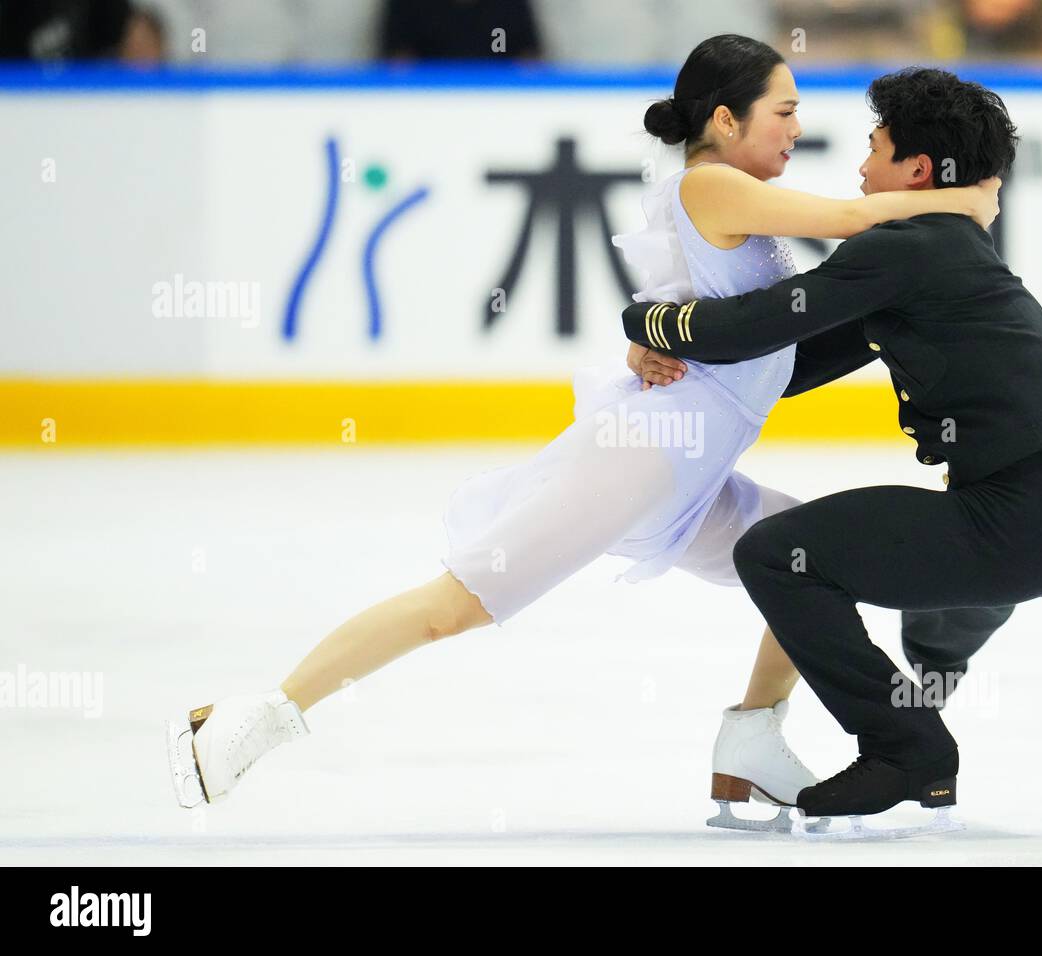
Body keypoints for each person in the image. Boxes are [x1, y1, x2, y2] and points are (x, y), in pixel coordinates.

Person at [164, 40, 999, 828]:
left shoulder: (733, 207)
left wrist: (656, 333)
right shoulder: (707, 185)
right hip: (641, 462)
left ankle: (751, 733)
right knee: (451, 610)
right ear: (724, 122)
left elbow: (725, 301)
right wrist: (965, 198)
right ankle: (255, 720)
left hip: (692, 479)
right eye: (783, 109)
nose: (799, 127)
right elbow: (853, 217)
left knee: (808, 560)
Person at [622, 66, 1042, 832]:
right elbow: (789, 362)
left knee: (776, 554)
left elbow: (753, 326)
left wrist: (646, 321)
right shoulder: (944, 251)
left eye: (875, 148)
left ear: (917, 171)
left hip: (1022, 524)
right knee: (921, 559)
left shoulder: (908, 245)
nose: (861, 169)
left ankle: (908, 749)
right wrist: (680, 357)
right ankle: (929, 684)